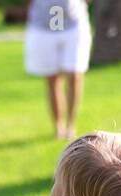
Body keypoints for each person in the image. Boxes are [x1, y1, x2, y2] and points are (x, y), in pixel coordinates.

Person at [24, 0, 92, 140]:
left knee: (74, 75)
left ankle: (71, 125)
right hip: (43, 26)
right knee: (52, 78)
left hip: (73, 23)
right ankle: (58, 126)